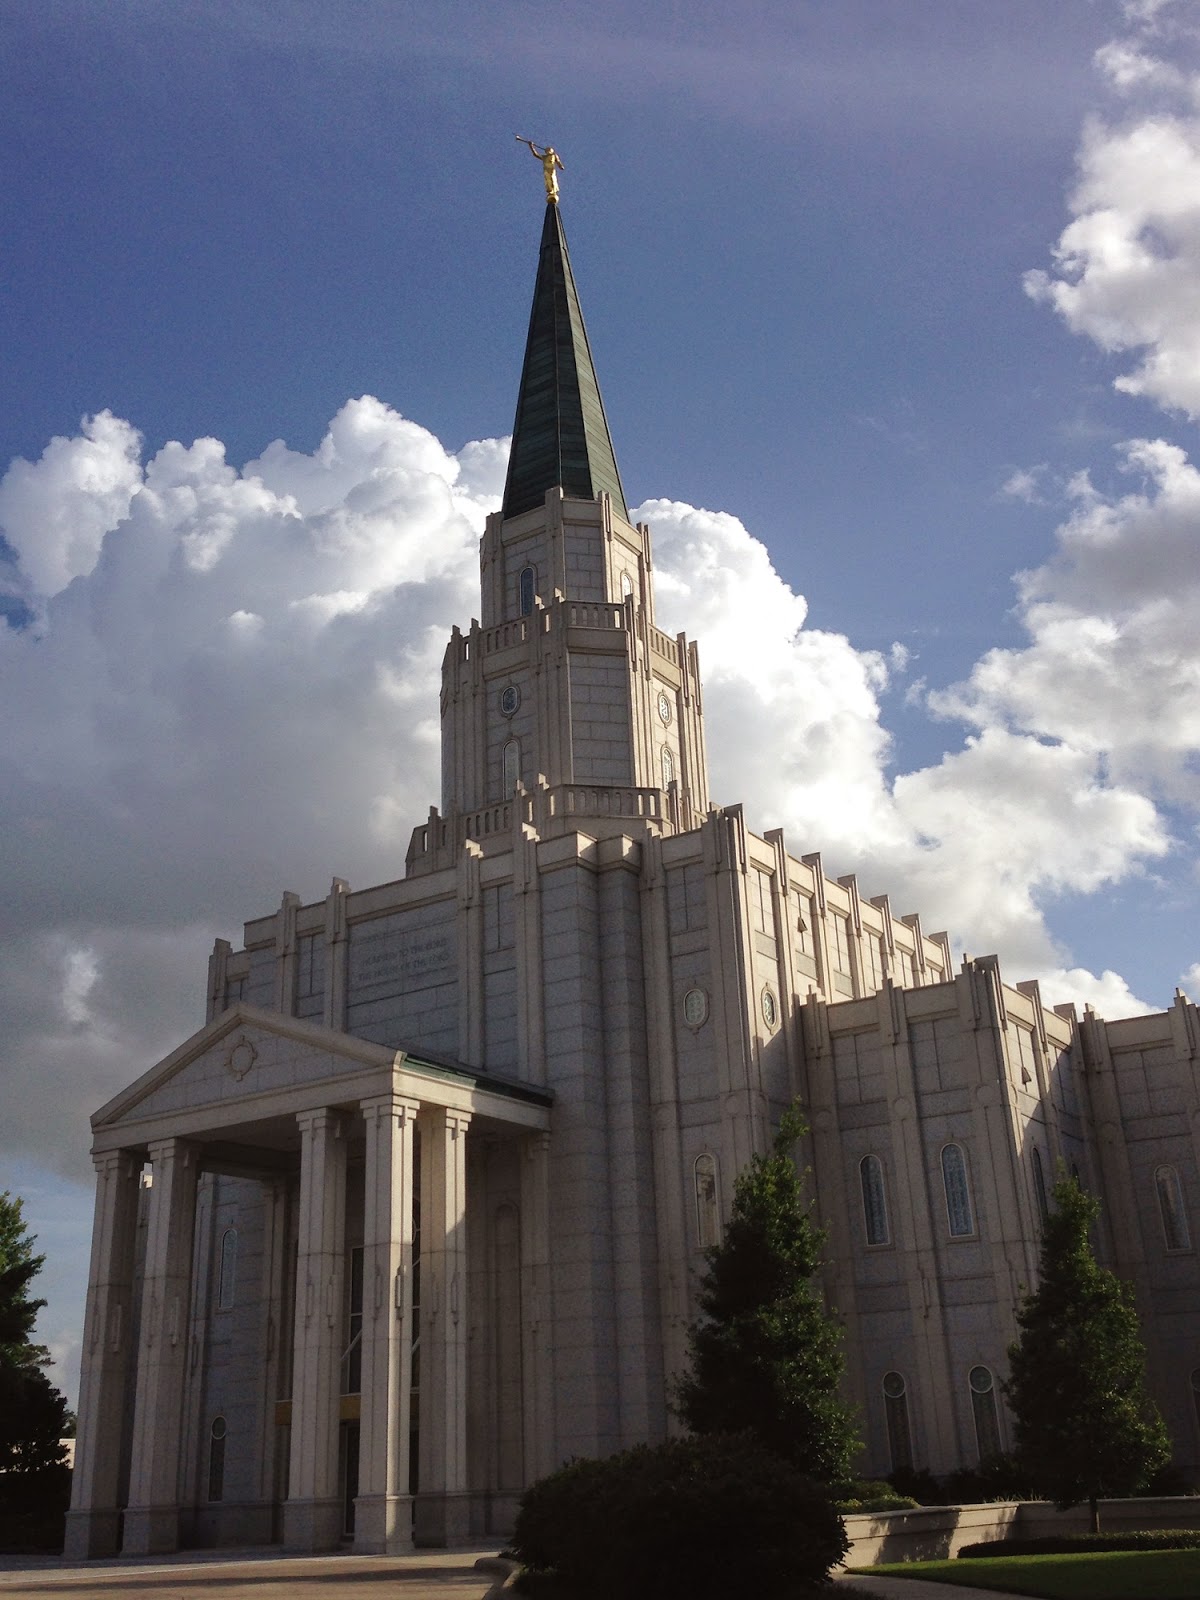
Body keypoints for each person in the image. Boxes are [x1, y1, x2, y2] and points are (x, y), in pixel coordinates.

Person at [516, 137, 564, 202]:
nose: (548, 151)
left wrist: (560, 165)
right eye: (547, 150)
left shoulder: (554, 155)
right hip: (546, 169)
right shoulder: (544, 157)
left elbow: (558, 161)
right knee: (548, 180)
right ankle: (551, 191)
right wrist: (531, 146)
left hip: (551, 168)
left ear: (552, 151)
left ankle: (554, 191)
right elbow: (535, 154)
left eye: (549, 150)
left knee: (552, 178)